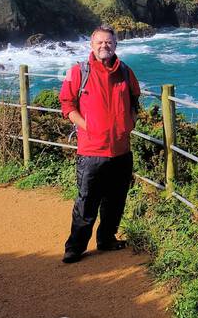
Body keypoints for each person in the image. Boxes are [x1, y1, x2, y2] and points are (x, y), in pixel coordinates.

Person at [58, 26, 142, 264]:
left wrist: (130, 124)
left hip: (121, 149)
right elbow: (67, 104)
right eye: (100, 43)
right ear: (91, 45)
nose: (104, 46)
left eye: (109, 42)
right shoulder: (78, 72)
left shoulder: (125, 72)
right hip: (91, 150)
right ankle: (75, 247)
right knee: (87, 201)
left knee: (116, 200)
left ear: (115, 45)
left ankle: (107, 239)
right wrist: (86, 125)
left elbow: (135, 100)